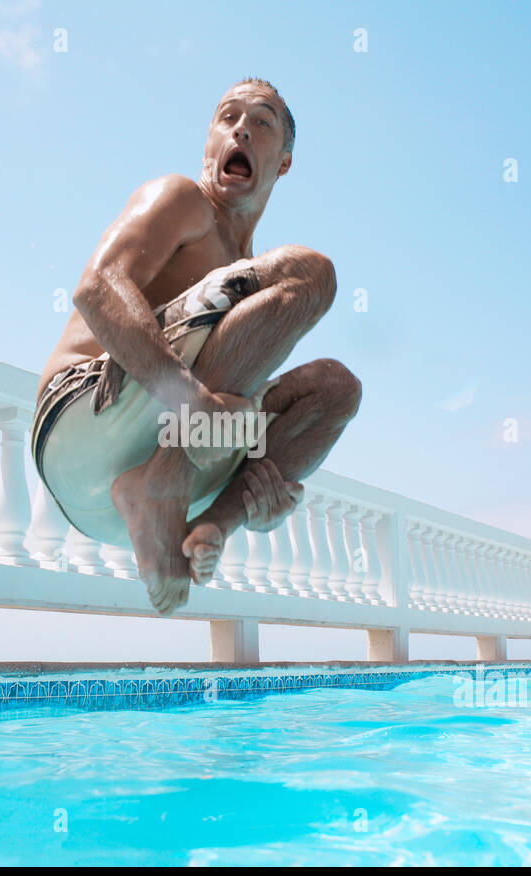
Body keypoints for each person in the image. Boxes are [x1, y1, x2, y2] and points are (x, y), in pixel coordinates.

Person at [32, 78, 361, 615]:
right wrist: (194, 405)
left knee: (336, 389)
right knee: (310, 273)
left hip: (123, 496)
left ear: (283, 163)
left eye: (261, 123)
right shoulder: (183, 200)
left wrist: (257, 492)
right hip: (84, 419)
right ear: (208, 140)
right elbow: (96, 287)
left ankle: (206, 526)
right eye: (228, 118)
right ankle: (166, 480)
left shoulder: (256, 300)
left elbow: (235, 405)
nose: (241, 130)